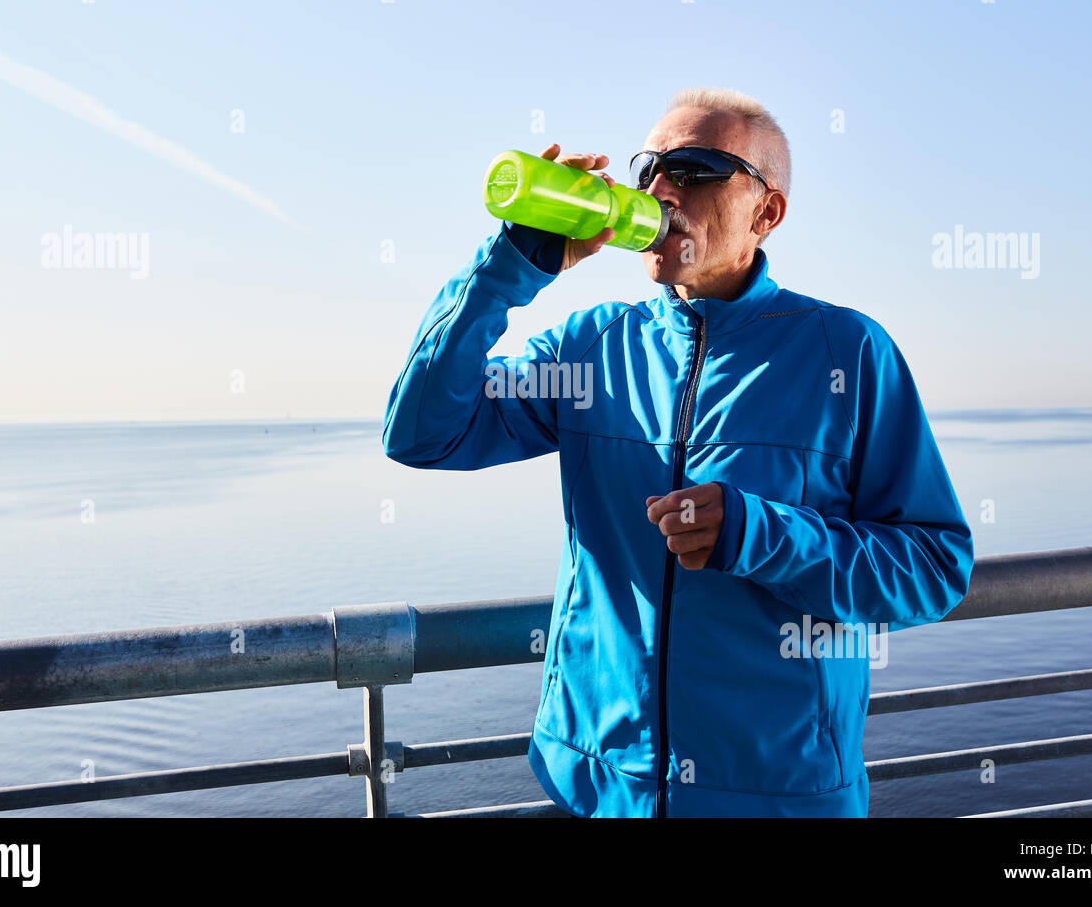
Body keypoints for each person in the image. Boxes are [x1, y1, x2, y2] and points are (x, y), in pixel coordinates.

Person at [383, 87, 974, 817]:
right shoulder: (592, 346)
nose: (660, 190)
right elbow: (420, 432)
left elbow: (933, 568)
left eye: (695, 170)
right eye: (648, 169)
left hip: (778, 794)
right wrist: (511, 264)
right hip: (600, 787)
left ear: (767, 212)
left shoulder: (847, 353)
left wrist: (763, 535)